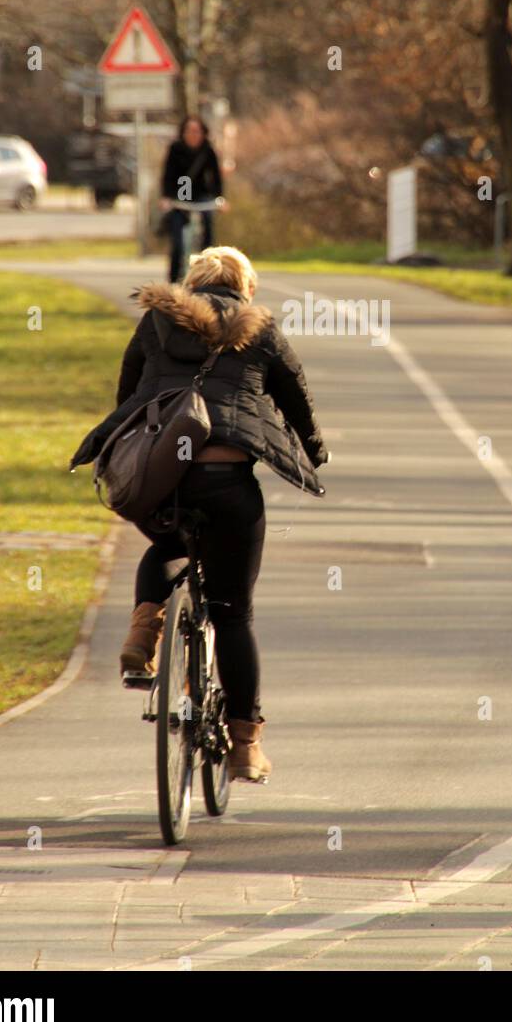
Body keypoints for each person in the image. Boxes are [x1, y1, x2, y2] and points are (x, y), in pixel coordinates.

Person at [72, 246, 327, 783]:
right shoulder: (261, 330)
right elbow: (295, 397)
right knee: (233, 614)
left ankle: (143, 635)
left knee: (165, 549)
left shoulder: (155, 323)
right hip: (227, 486)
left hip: (161, 483)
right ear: (246, 288)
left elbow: (129, 395)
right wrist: (313, 448)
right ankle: (244, 746)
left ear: (190, 284)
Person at [159, 115, 225, 283]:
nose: (193, 134)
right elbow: (167, 175)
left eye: (197, 131)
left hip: (202, 194)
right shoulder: (176, 149)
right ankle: (174, 280)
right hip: (183, 192)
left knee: (208, 228)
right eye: (189, 131)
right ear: (183, 132)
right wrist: (166, 197)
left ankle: (208, 272)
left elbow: (216, 177)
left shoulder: (208, 150)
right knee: (178, 239)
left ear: (203, 133)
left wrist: (220, 197)